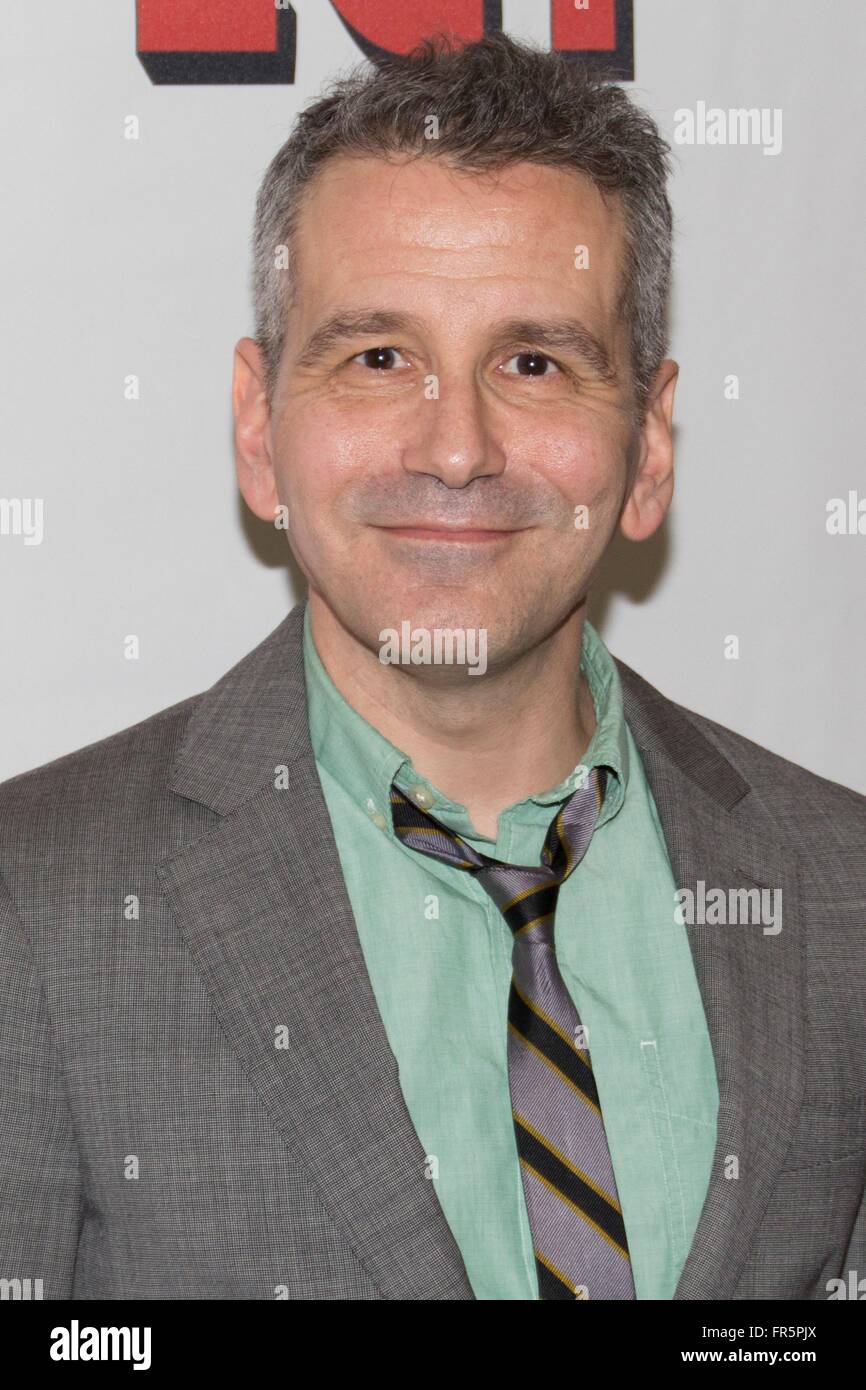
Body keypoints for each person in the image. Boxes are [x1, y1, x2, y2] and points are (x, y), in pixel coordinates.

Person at [1, 32, 863, 1302]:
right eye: (377, 357)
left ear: (651, 446)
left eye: (532, 362)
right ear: (259, 429)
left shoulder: (838, 888)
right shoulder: (33, 905)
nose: (456, 447)